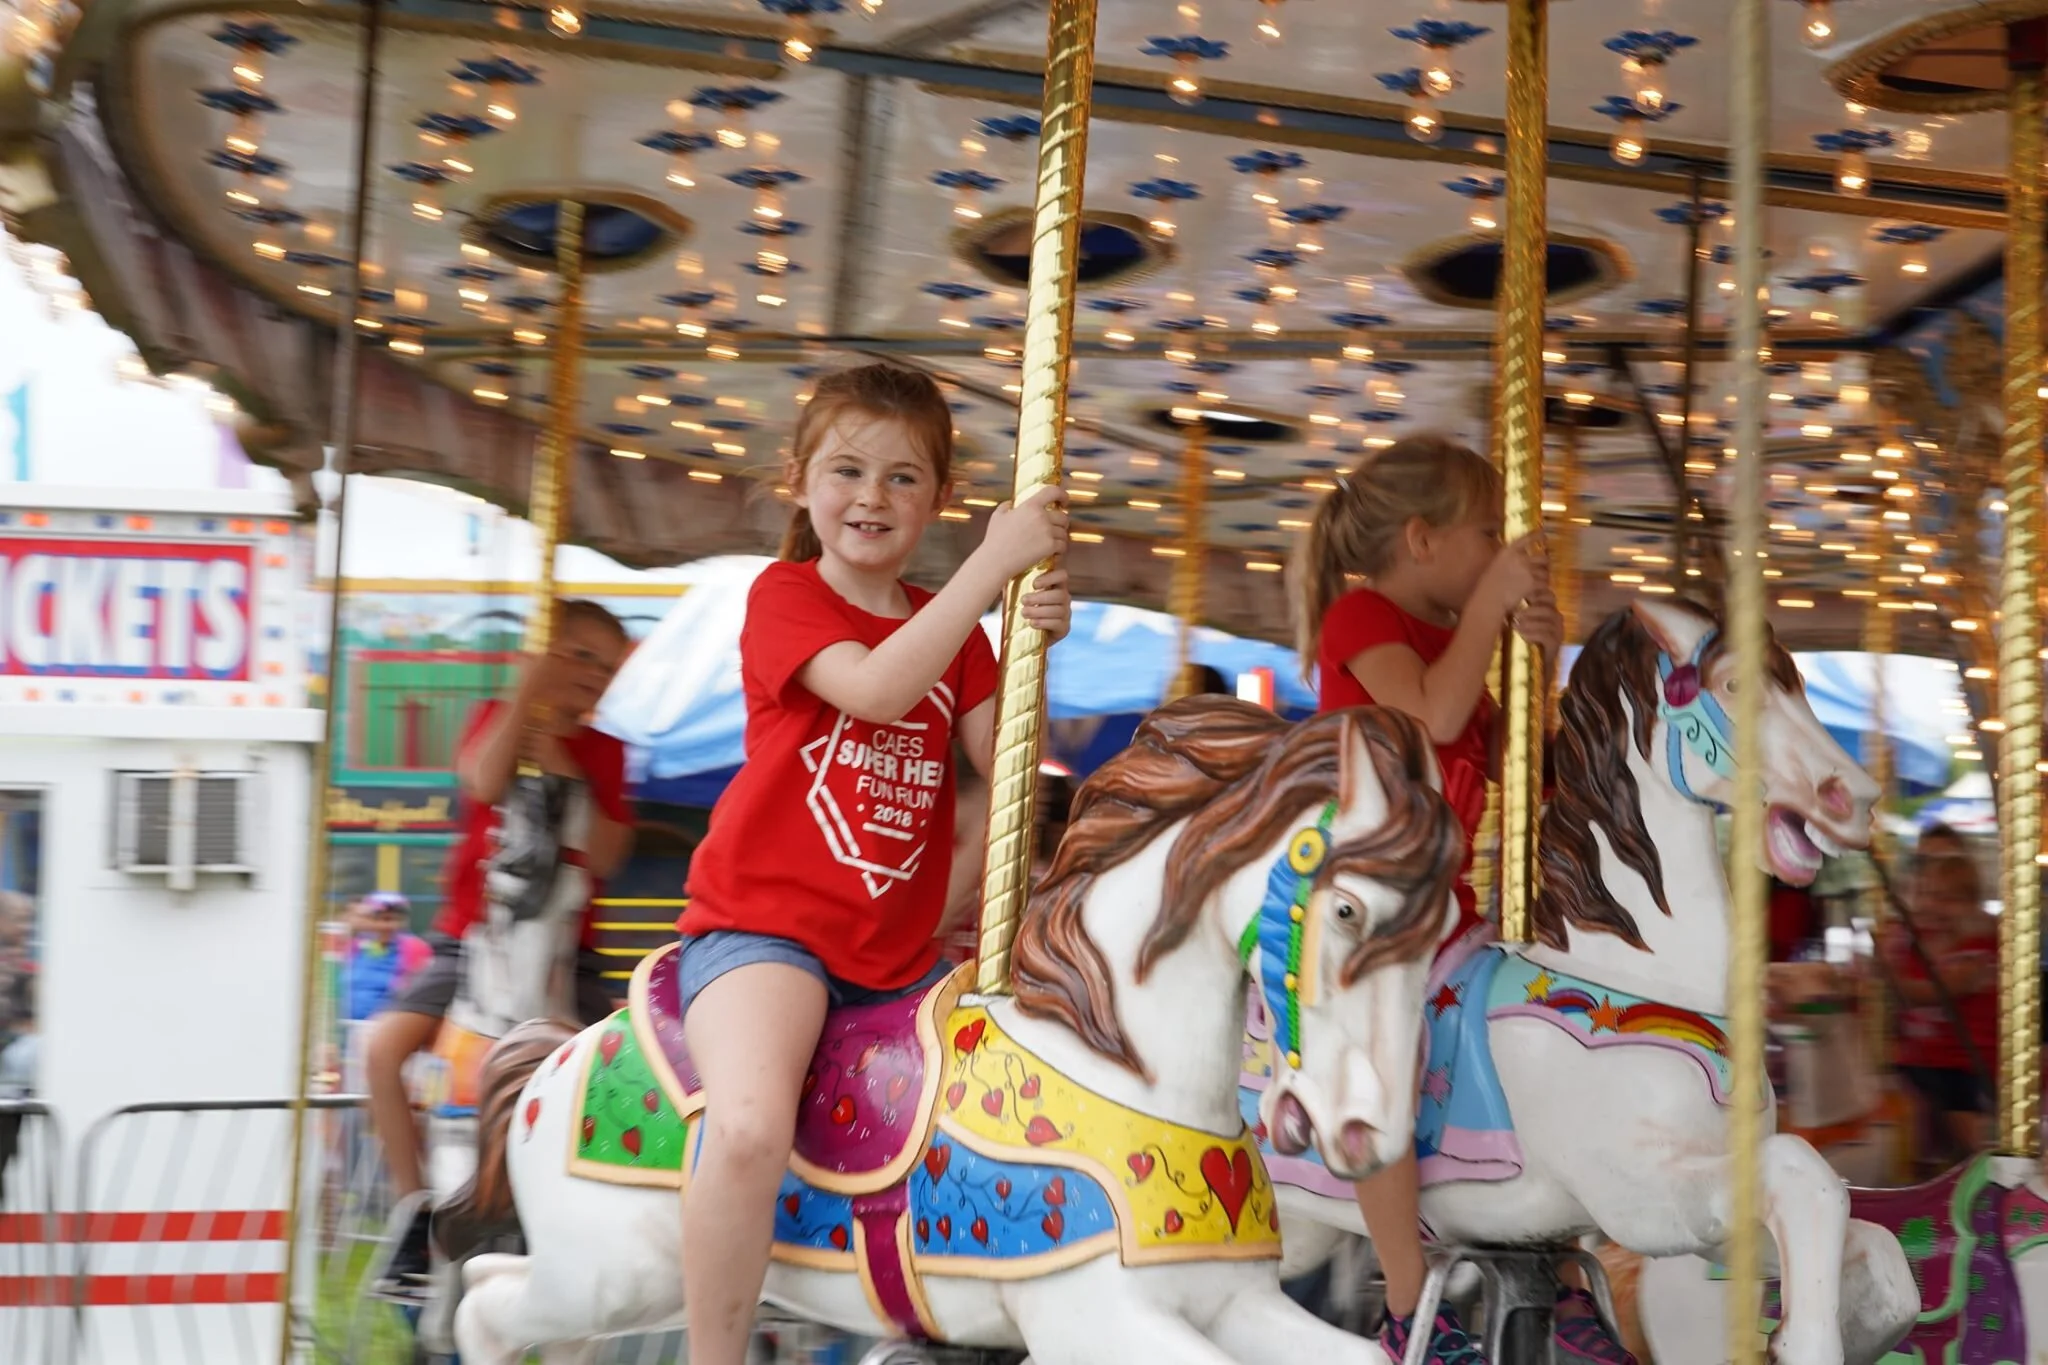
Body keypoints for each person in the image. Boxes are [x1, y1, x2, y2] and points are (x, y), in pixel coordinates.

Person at [675, 363, 1071, 1365]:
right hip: (765, 930)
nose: (871, 497)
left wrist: (1032, 649)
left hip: (900, 949)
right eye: (847, 470)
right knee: (754, 1126)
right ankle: (713, 1354)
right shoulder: (785, 596)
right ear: (799, 482)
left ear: (938, 499)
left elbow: (1012, 770)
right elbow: (878, 691)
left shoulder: (961, 634)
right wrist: (989, 574)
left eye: (903, 478)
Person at [1296, 434, 1629, 1365]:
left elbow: (1522, 766)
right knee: (1381, 1058)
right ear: (1422, 539)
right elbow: (1432, 719)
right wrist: (1490, 611)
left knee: (1544, 1031)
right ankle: (1407, 1296)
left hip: (1445, 899)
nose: (1502, 549)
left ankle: (1557, 1268)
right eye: (1490, 532)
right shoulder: (1359, 617)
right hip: (1364, 896)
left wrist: (1543, 665)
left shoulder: (1456, 636)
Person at [364, 599, 636, 1295]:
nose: (590, 674)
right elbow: (483, 780)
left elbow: (607, 851)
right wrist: (526, 703)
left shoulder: (606, 753)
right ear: (545, 653)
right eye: (576, 655)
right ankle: (416, 1210)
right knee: (381, 1049)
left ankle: (592, 1225)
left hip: (565, 955)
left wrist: (567, 772)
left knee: (614, 1082)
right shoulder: (499, 718)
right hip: (470, 938)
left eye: (605, 665)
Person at [1882, 823, 1996, 1166]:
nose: (1936, 906)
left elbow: (1929, 992)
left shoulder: (1976, 946)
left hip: (1962, 1064)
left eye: (1947, 898)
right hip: (1922, 1060)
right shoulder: (1918, 935)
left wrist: (1892, 974)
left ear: (1969, 902)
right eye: (1930, 894)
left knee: (1964, 1129)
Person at [342, 892, 432, 1023]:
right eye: (377, 919)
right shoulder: (356, 946)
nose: (384, 926)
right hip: (349, 1025)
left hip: (388, 1028)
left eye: (391, 920)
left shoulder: (415, 948)